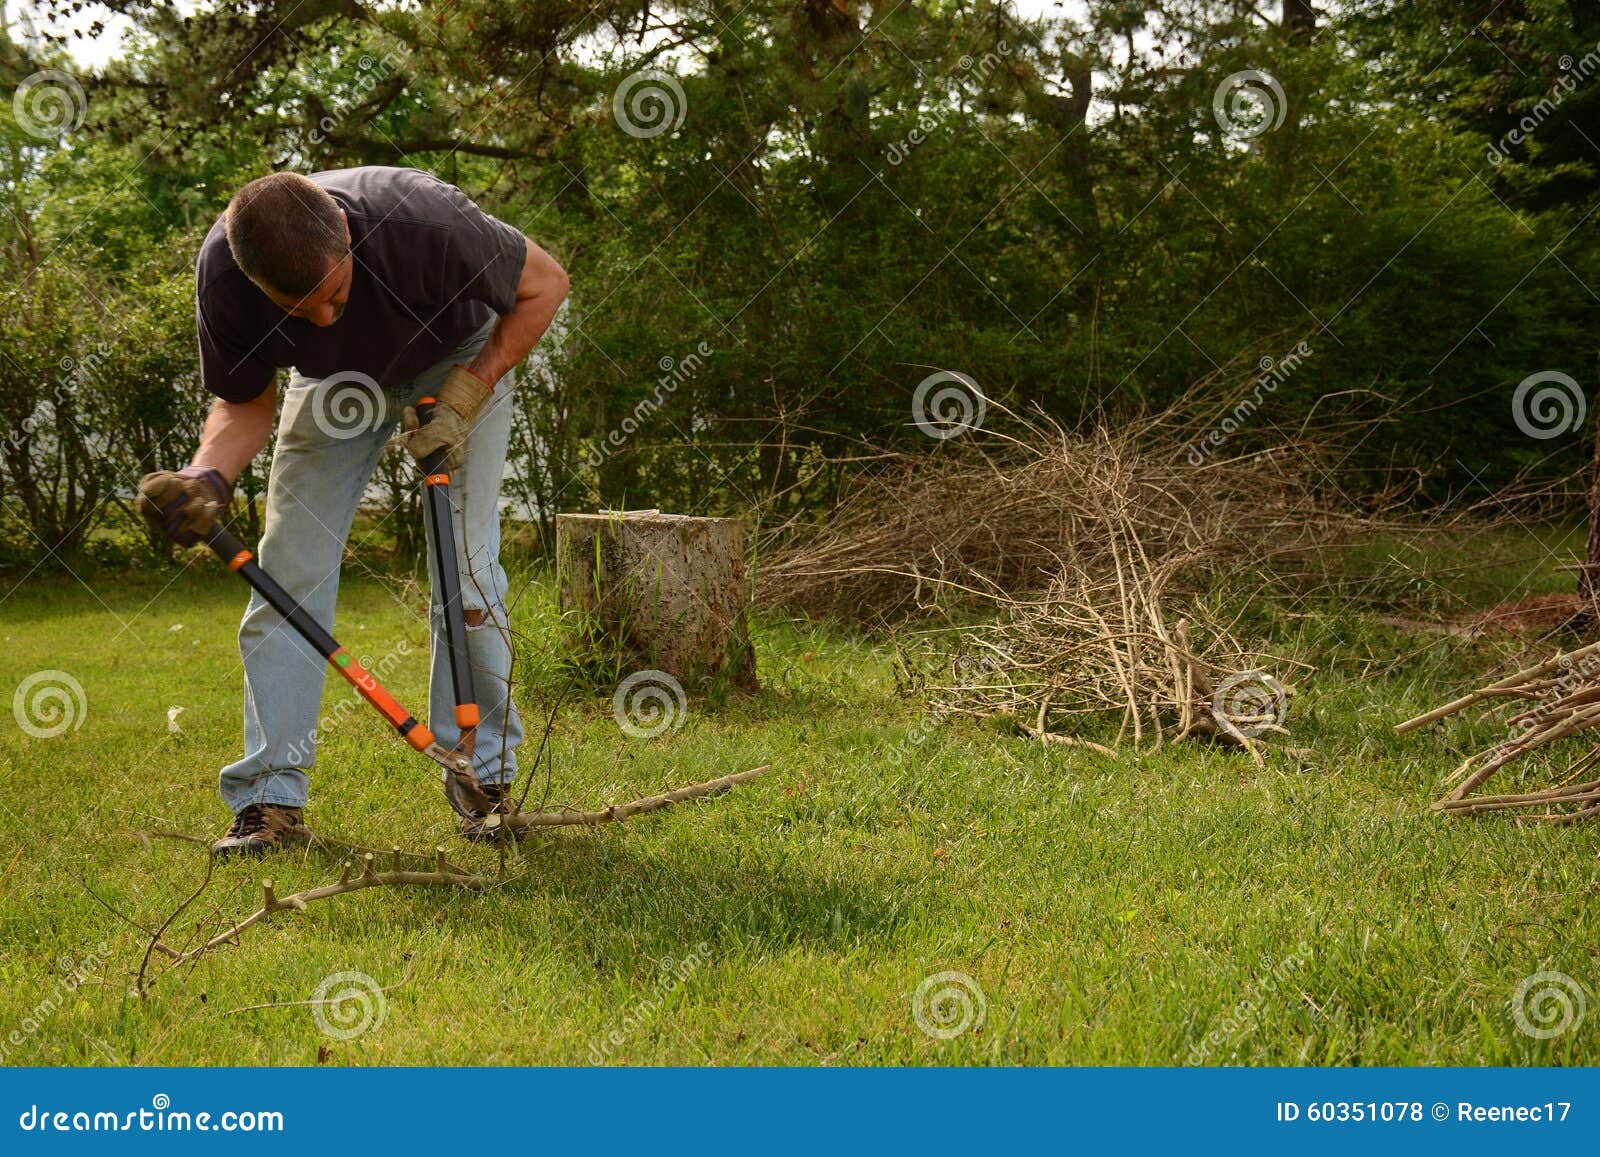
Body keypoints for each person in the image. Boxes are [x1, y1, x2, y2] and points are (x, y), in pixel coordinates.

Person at [137, 167, 569, 855]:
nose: (323, 318)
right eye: (298, 309)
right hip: (333, 381)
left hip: (458, 351)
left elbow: (547, 283)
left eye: (333, 294)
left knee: (469, 570)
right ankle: (269, 802)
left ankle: (484, 783)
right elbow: (244, 403)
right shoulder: (226, 273)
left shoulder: (426, 221)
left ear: (346, 232)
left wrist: (468, 393)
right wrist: (206, 478)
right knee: (288, 569)